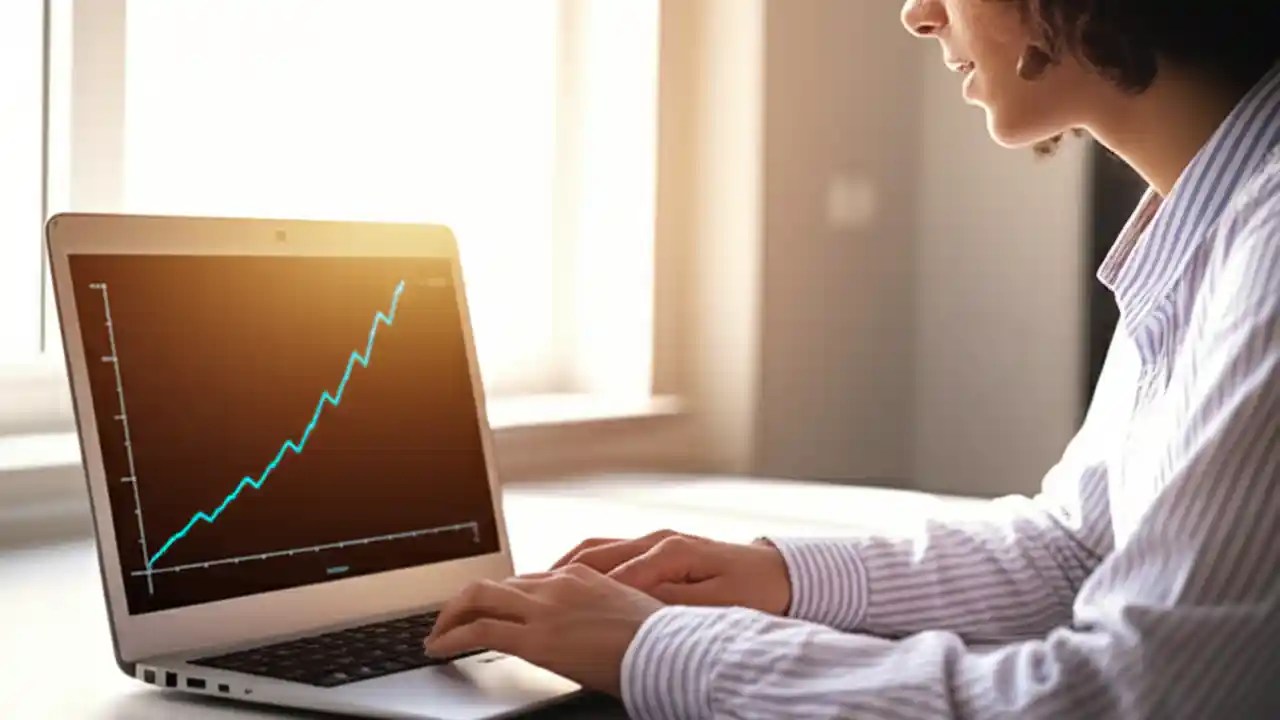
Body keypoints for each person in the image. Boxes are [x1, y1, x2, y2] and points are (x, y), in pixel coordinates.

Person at [425, 0, 1280, 717]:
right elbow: (1079, 550)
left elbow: (1139, 695)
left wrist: (656, 647)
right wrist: (774, 575)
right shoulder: (1213, 220)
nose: (918, 14)